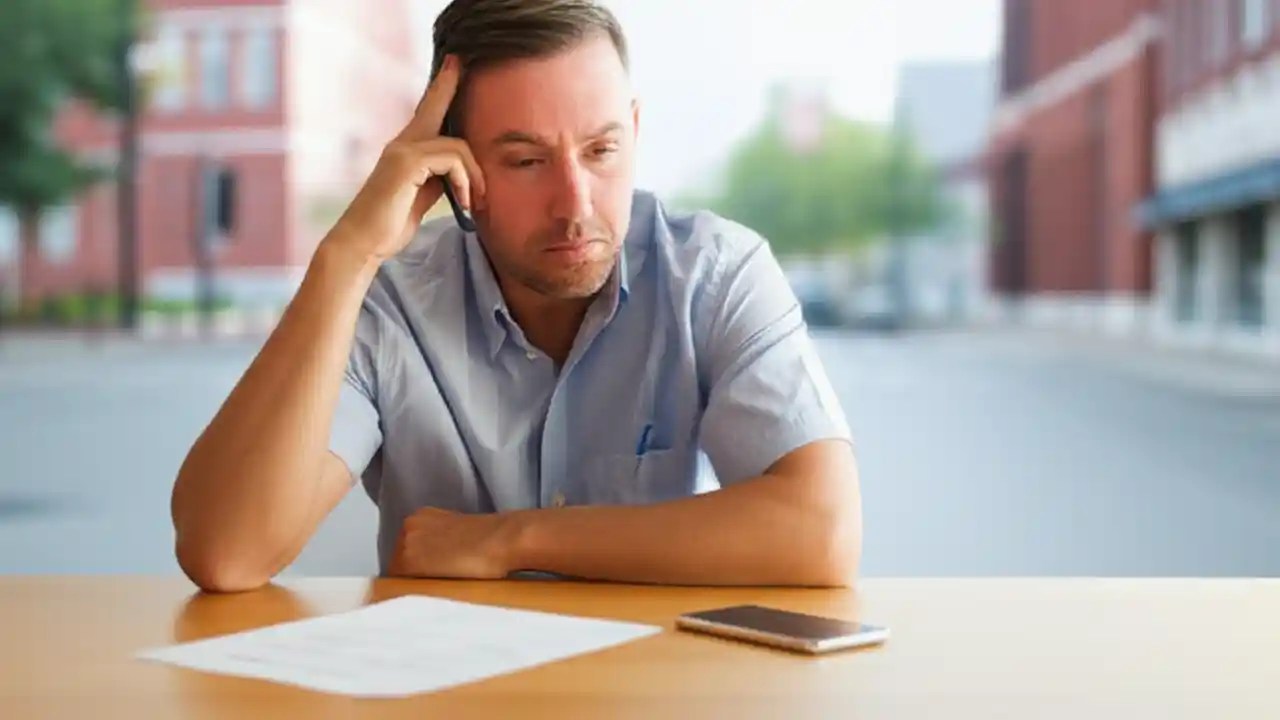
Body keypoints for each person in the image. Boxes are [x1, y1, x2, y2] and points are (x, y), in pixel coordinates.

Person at [171, 0, 862, 593]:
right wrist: (346, 254)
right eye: (526, 160)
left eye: (601, 150)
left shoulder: (716, 274)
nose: (575, 204)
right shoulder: (389, 301)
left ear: (635, 133)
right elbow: (227, 553)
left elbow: (822, 531)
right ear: (451, 167)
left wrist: (512, 540)